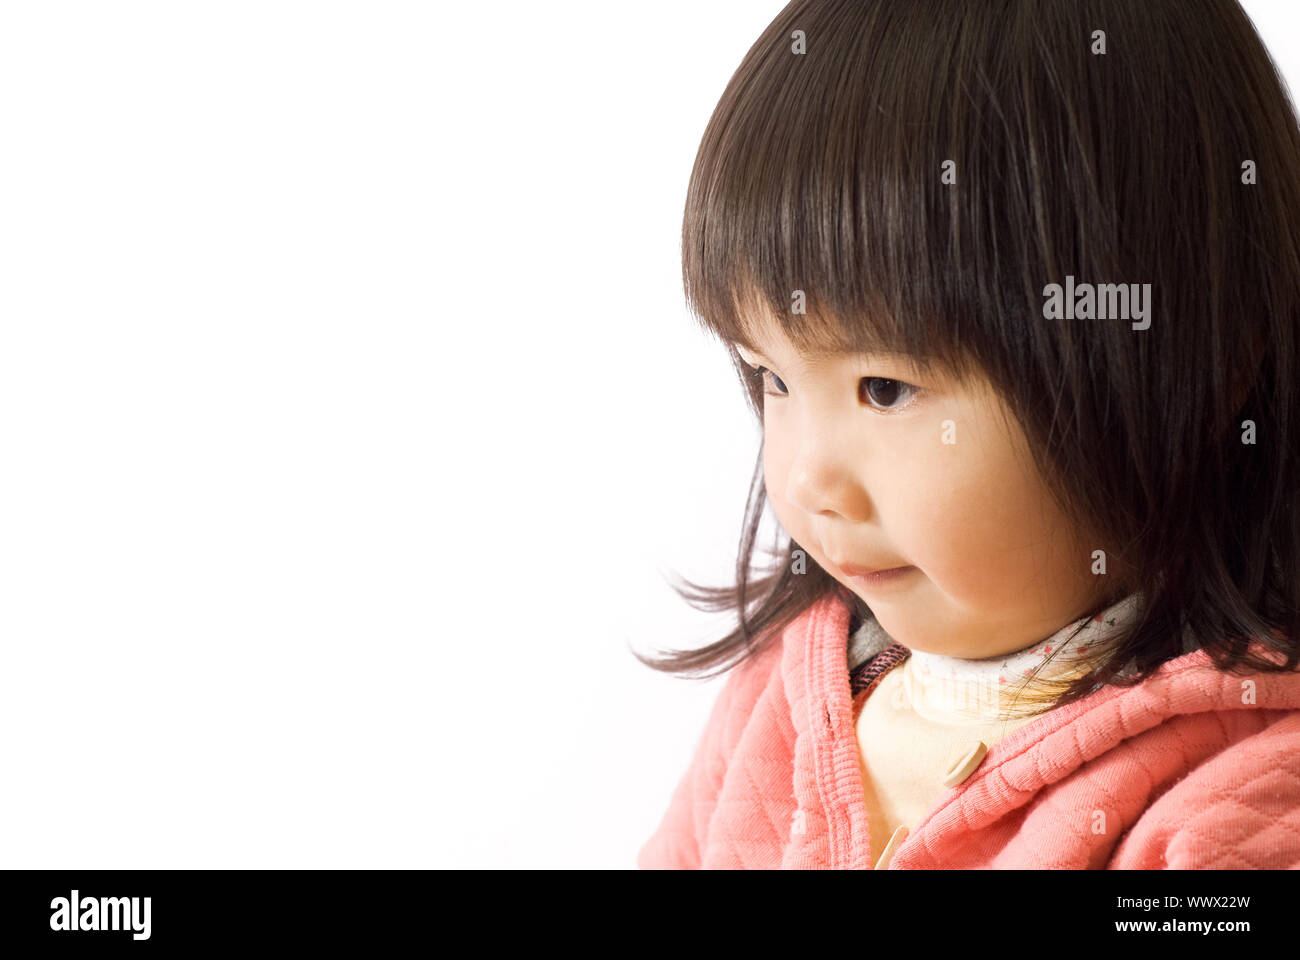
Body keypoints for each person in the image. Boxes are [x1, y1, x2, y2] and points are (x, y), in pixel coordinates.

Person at [635, 0, 1300, 869]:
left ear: (1202, 369)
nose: (803, 479)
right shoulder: (781, 700)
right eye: (773, 378)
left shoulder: (1243, 799)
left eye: (884, 388)